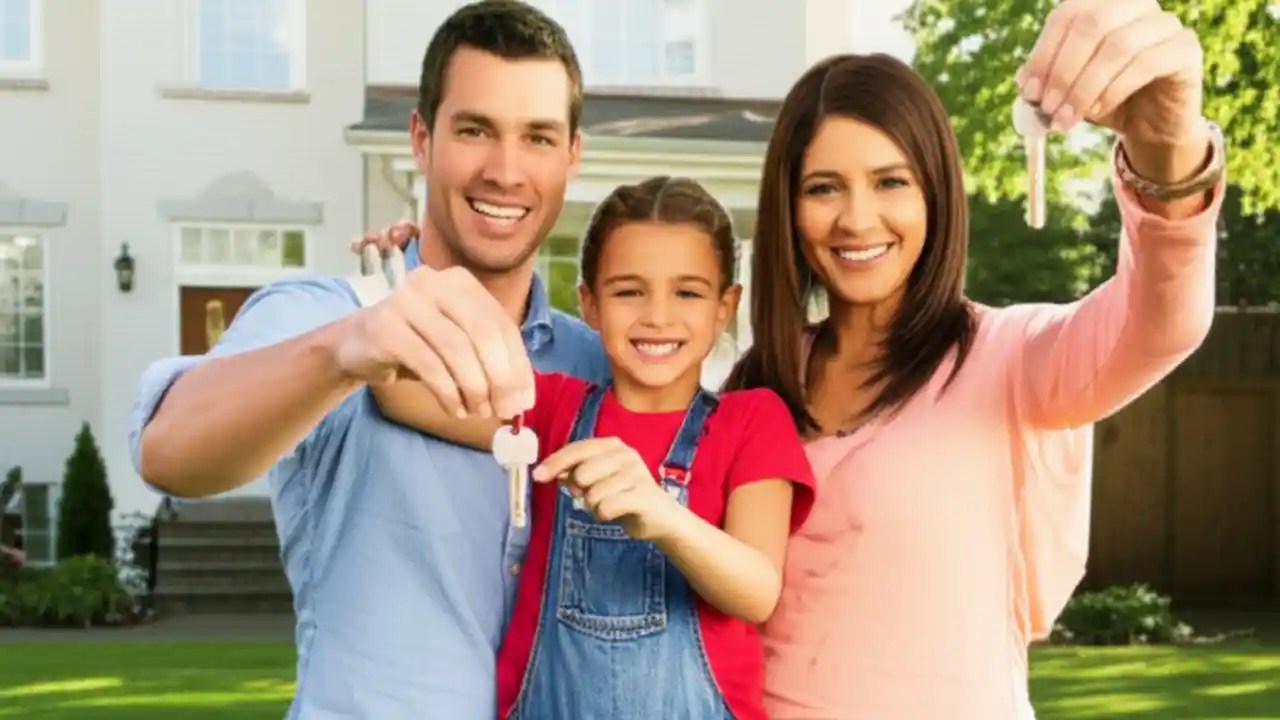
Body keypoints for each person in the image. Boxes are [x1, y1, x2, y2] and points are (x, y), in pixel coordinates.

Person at [720, 3, 1227, 719]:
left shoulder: (1007, 358)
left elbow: (1161, 326)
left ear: (935, 192)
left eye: (891, 182)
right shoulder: (756, 383)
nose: (857, 219)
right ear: (788, 207)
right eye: (823, 187)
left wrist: (1168, 146)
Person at [127, 2, 608, 717]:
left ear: (571, 154)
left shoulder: (597, 364)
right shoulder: (327, 317)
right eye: (474, 130)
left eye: (537, 137)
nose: (506, 171)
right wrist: (346, 353)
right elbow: (167, 452)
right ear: (421, 138)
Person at [367, 176, 817, 720]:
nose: (657, 314)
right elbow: (396, 394)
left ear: (725, 306)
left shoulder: (752, 420)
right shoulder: (554, 409)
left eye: (688, 292)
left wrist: (664, 517)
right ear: (590, 304)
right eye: (629, 290)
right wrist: (421, 281)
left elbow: (757, 591)